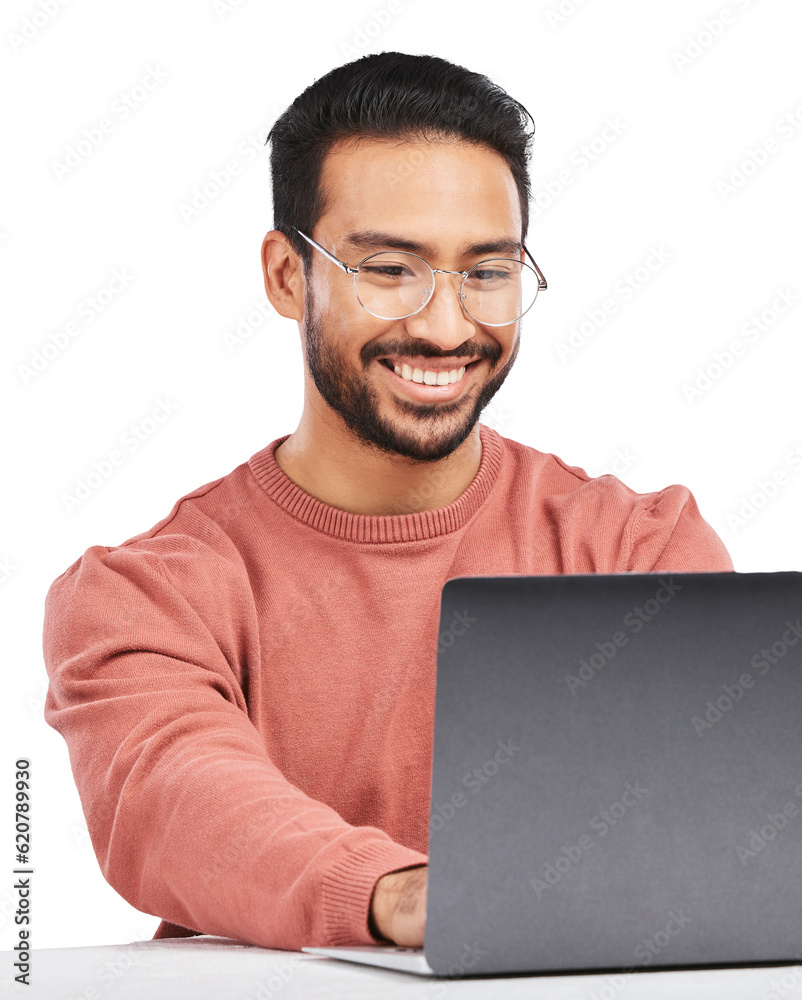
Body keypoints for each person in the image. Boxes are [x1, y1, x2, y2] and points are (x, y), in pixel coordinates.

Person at [42, 51, 734, 953]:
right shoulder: (142, 597)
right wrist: (398, 895)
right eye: (390, 269)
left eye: (486, 273)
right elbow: (175, 794)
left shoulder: (639, 552)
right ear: (288, 276)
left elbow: (721, 832)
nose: (446, 327)